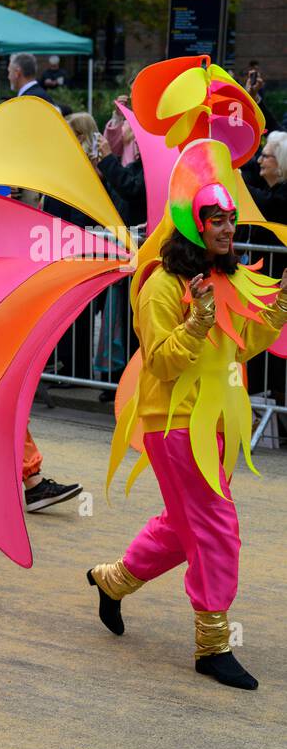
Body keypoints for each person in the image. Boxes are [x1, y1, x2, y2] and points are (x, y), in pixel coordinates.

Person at [92, 138, 287, 691]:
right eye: (217, 220)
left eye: (230, 219)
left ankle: (113, 580)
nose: (228, 229)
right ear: (192, 224)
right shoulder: (159, 284)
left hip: (215, 425)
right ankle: (212, 643)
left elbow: (241, 346)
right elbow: (163, 361)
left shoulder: (222, 279)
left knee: (186, 528)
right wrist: (197, 319)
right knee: (218, 527)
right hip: (173, 425)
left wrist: (278, 310)